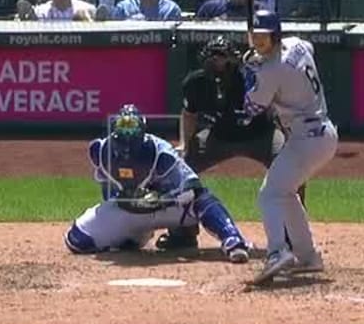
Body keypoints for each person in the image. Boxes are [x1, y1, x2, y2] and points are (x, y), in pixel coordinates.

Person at [64, 105, 250, 262]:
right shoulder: (101, 151)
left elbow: (193, 187)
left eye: (132, 130)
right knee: (77, 240)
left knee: (201, 199)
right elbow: (107, 187)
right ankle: (131, 238)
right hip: (130, 211)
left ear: (143, 133)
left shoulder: (161, 153)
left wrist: (161, 199)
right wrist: (123, 200)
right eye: (123, 129)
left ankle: (232, 239)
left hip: (164, 209)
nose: (127, 136)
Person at [156, 36, 290, 253]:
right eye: (212, 58)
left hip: (261, 134)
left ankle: (291, 234)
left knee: (289, 164)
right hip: (218, 136)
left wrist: (285, 133)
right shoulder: (195, 82)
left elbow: (276, 104)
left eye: (221, 58)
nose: (216, 63)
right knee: (178, 170)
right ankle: (183, 233)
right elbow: (189, 115)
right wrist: (184, 145)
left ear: (233, 60)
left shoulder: (252, 78)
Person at [242, 10, 337, 285]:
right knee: (284, 193)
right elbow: (308, 49)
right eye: (256, 38)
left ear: (275, 36)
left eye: (264, 38)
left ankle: (277, 252)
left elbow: (252, 108)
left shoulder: (271, 72)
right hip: (321, 134)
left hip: (306, 138)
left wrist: (250, 75)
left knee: (268, 194)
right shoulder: (296, 44)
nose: (259, 43)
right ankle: (307, 256)